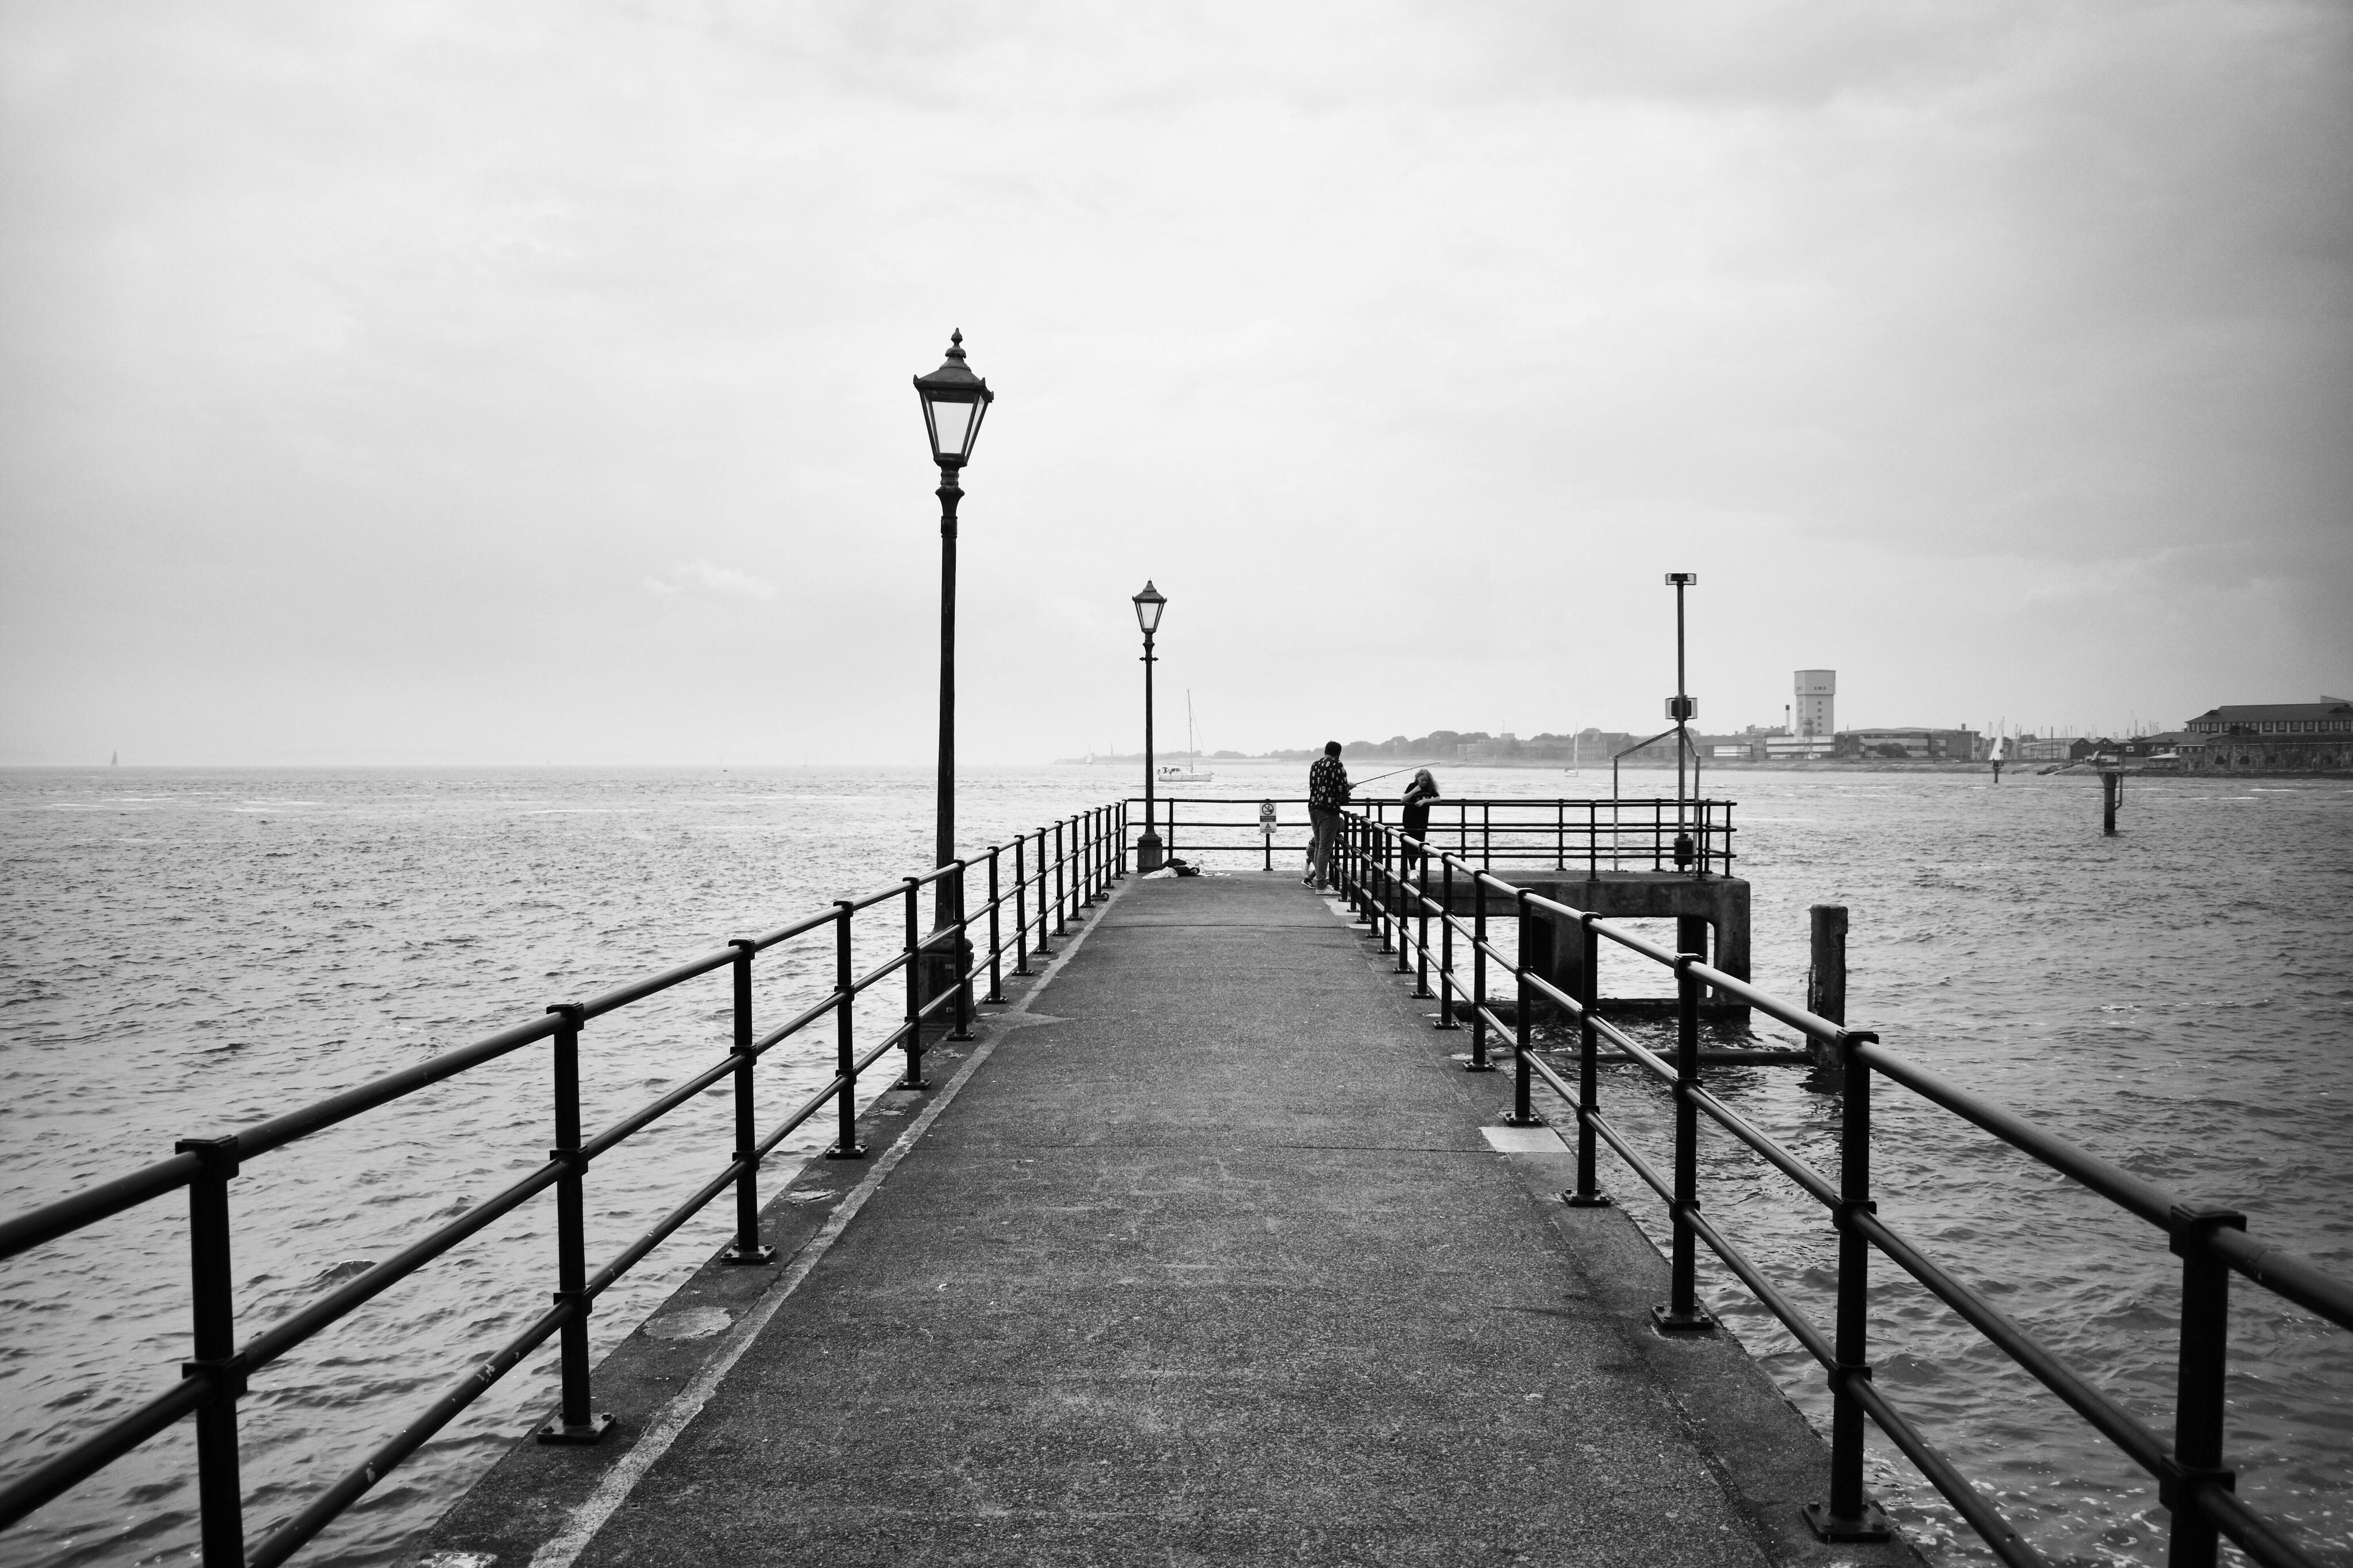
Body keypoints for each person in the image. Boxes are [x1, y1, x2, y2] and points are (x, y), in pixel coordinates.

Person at [1304, 741, 1349, 890]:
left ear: (1325, 751)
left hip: (1313, 808)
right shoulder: (1337, 765)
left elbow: (1316, 786)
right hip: (1328, 810)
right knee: (1324, 849)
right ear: (1339, 753)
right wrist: (1348, 789)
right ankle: (1322, 886)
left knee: (1318, 847)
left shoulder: (1315, 765)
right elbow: (1342, 789)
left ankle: (1320, 882)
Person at [1399, 768, 1440, 872]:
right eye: (1422, 780)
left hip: (1423, 819)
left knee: (1420, 843)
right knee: (1410, 842)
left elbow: (1438, 799)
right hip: (1410, 818)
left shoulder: (1430, 788)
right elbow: (1403, 799)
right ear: (1418, 779)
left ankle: (1413, 866)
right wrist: (1415, 791)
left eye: (1426, 781)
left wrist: (1425, 801)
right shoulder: (1412, 786)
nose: (1424, 783)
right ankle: (1413, 869)